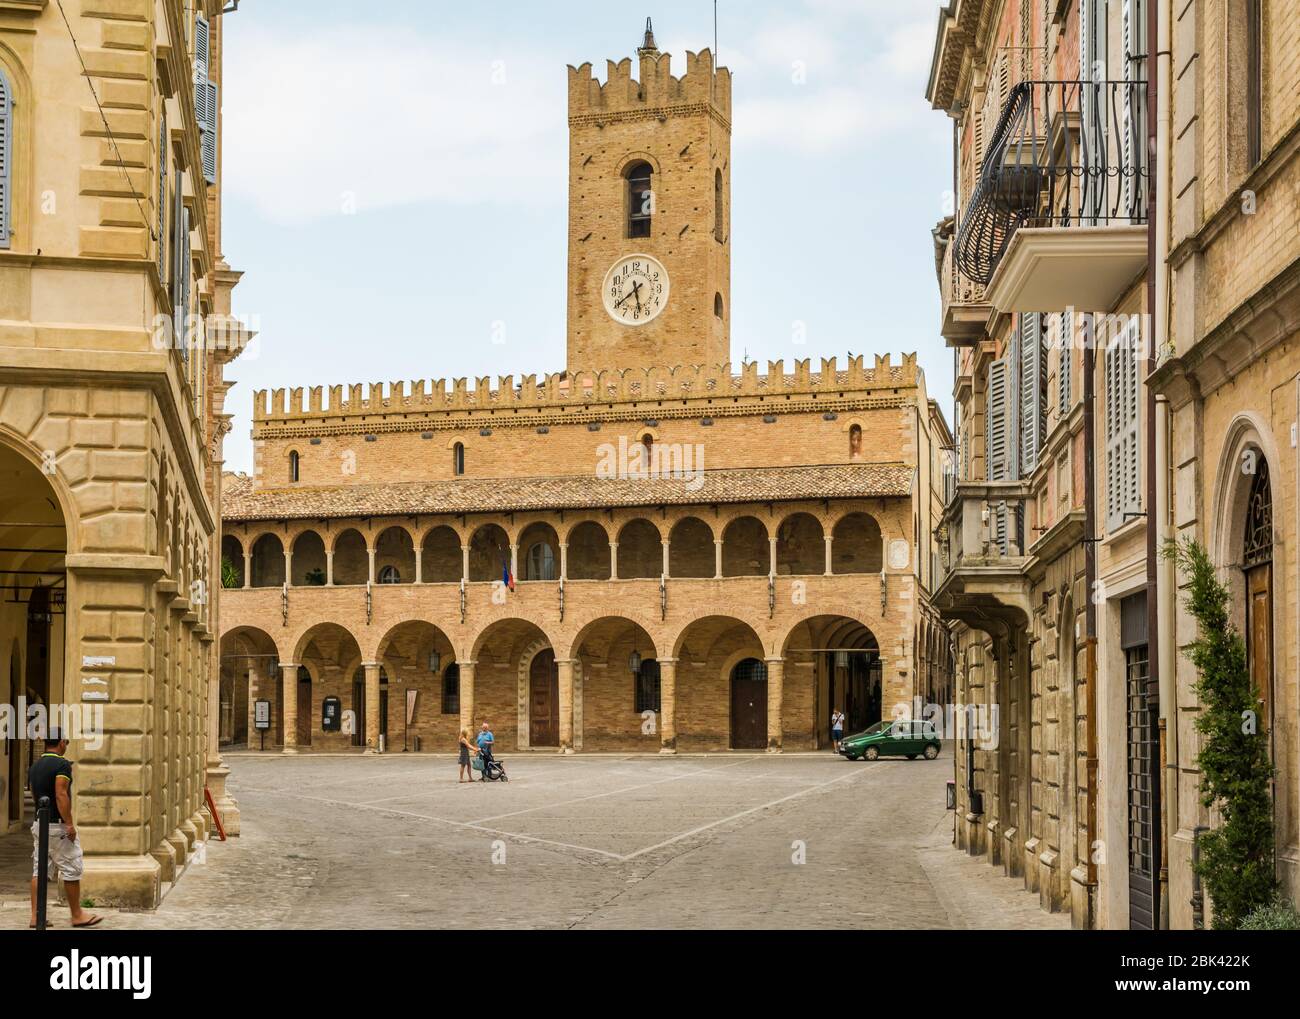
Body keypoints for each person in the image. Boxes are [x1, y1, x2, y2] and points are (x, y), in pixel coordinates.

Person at [29, 732, 102, 929]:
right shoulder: (62, 765)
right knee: (72, 868)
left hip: (39, 823)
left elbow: (36, 795)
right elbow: (61, 793)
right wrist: (69, 823)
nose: (66, 745)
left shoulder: (35, 766)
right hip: (56, 825)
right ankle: (77, 915)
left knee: (39, 869)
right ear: (61, 742)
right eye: (66, 742)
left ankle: (36, 917)